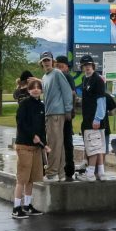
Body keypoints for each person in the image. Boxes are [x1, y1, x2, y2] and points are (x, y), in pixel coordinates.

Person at [12, 77, 47, 219]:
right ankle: (16, 208)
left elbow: (42, 127)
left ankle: (27, 205)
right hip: (24, 145)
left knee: (32, 179)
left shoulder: (41, 106)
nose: (36, 89)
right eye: (33, 87)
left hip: (36, 147)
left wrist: (44, 144)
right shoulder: (24, 104)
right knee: (22, 178)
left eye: (38, 87)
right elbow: (21, 122)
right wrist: (32, 135)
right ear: (28, 89)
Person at [39, 51, 72, 180]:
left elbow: (67, 91)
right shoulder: (44, 77)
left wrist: (68, 109)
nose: (46, 62)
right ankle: (61, 173)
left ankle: (52, 173)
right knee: (59, 144)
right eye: (44, 60)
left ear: (52, 61)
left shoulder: (57, 73)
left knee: (53, 143)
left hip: (57, 113)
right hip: (49, 113)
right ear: (41, 63)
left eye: (48, 60)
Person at [79, 55, 110, 180]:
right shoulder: (85, 79)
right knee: (99, 146)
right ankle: (101, 172)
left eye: (89, 65)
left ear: (93, 65)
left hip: (94, 119)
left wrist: (98, 118)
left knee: (93, 147)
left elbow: (101, 100)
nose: (87, 67)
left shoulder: (97, 79)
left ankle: (91, 173)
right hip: (88, 117)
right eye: (85, 65)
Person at [55, 55, 79, 181]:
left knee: (66, 141)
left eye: (61, 66)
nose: (59, 68)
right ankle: (60, 167)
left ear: (66, 67)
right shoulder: (55, 76)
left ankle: (69, 168)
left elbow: (73, 94)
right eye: (57, 65)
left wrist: (70, 111)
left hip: (66, 114)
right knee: (58, 141)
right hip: (56, 113)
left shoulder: (67, 77)